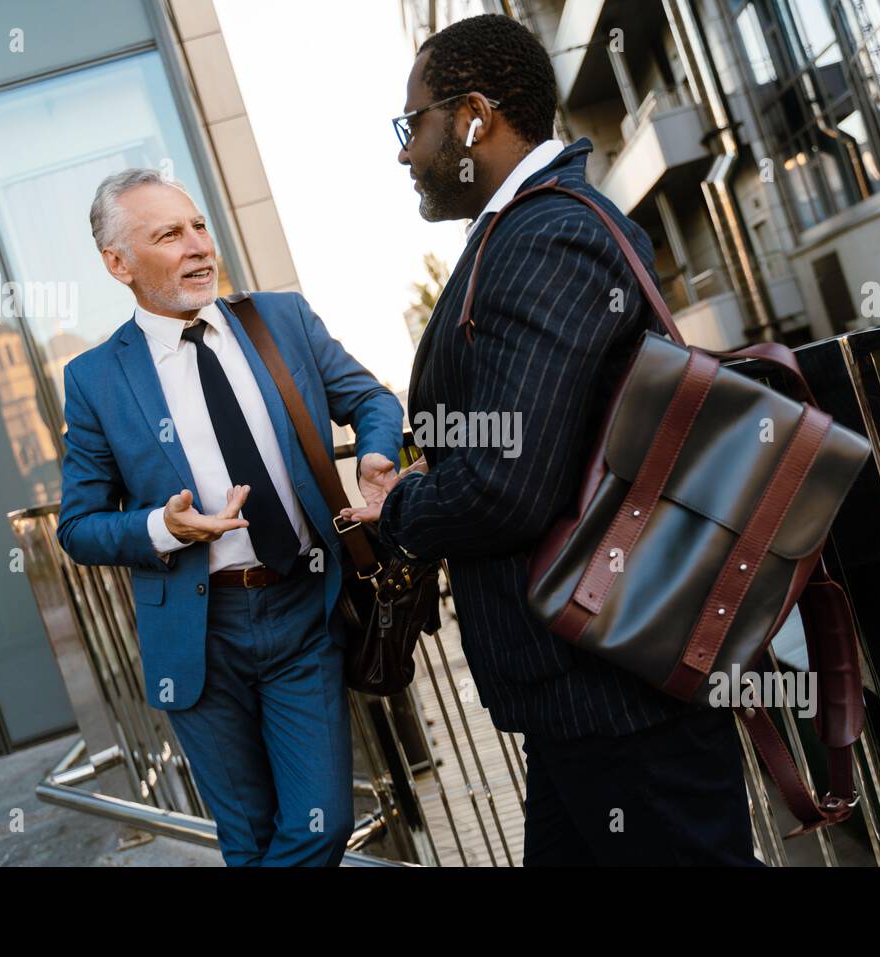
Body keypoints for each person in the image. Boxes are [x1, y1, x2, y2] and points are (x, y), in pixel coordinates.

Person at [343, 14, 761, 866]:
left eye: (411, 123)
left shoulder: (546, 237)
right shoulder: (522, 231)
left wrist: (398, 509)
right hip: (583, 687)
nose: (402, 152)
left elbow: (506, 482)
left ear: (471, 118)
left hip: (614, 696)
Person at [57, 168, 404, 866]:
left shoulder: (279, 319)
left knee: (321, 824)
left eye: (198, 226)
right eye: (168, 234)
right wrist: (164, 527)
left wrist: (372, 455)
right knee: (246, 837)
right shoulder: (95, 379)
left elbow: (372, 400)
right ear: (118, 263)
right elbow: (79, 525)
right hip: (198, 633)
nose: (196, 246)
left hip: (303, 608)